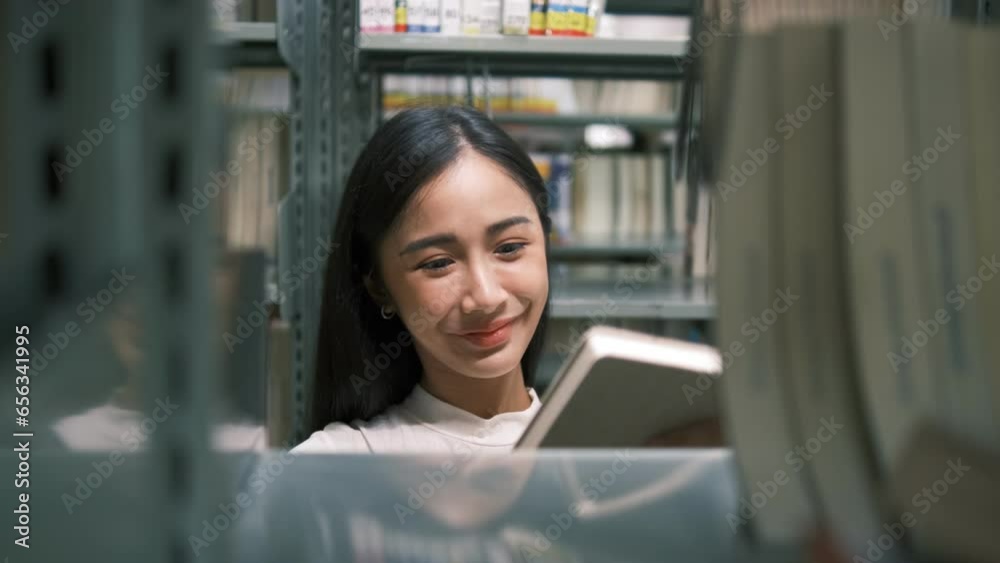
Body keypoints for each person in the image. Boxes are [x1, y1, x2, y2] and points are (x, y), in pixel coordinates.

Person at [293, 106, 552, 454]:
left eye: (509, 248)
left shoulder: (605, 450)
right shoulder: (332, 464)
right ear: (378, 286)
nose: (486, 296)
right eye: (439, 263)